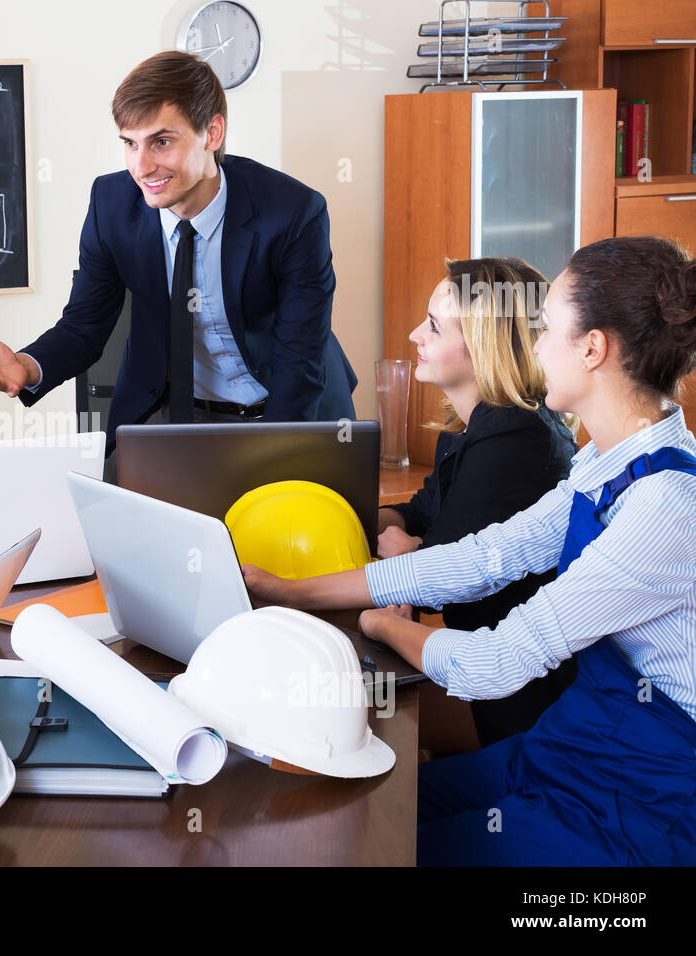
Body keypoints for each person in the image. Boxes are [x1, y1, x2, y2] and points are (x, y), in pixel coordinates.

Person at [243, 235, 696, 865]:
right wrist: (286, 590)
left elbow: (496, 661)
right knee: (354, 813)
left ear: (594, 348)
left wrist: (379, 624)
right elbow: (484, 559)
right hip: (571, 748)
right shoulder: (607, 462)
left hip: (641, 803)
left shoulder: (666, 508)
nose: (533, 347)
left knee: (373, 850)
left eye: (547, 330)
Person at [0, 50, 356, 455]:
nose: (142, 166)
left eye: (161, 142)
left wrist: (276, 468)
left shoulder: (292, 212)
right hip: (174, 417)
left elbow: (298, 362)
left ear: (212, 133)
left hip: (285, 412)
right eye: (130, 144)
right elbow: (85, 324)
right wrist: (28, 366)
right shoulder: (111, 204)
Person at [378, 256, 578, 744]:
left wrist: (409, 550)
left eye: (432, 327)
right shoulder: (473, 430)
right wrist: (380, 523)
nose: (413, 336)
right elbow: (422, 515)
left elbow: (442, 573)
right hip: (483, 674)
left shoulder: (519, 437)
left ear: (484, 344)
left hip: (524, 699)